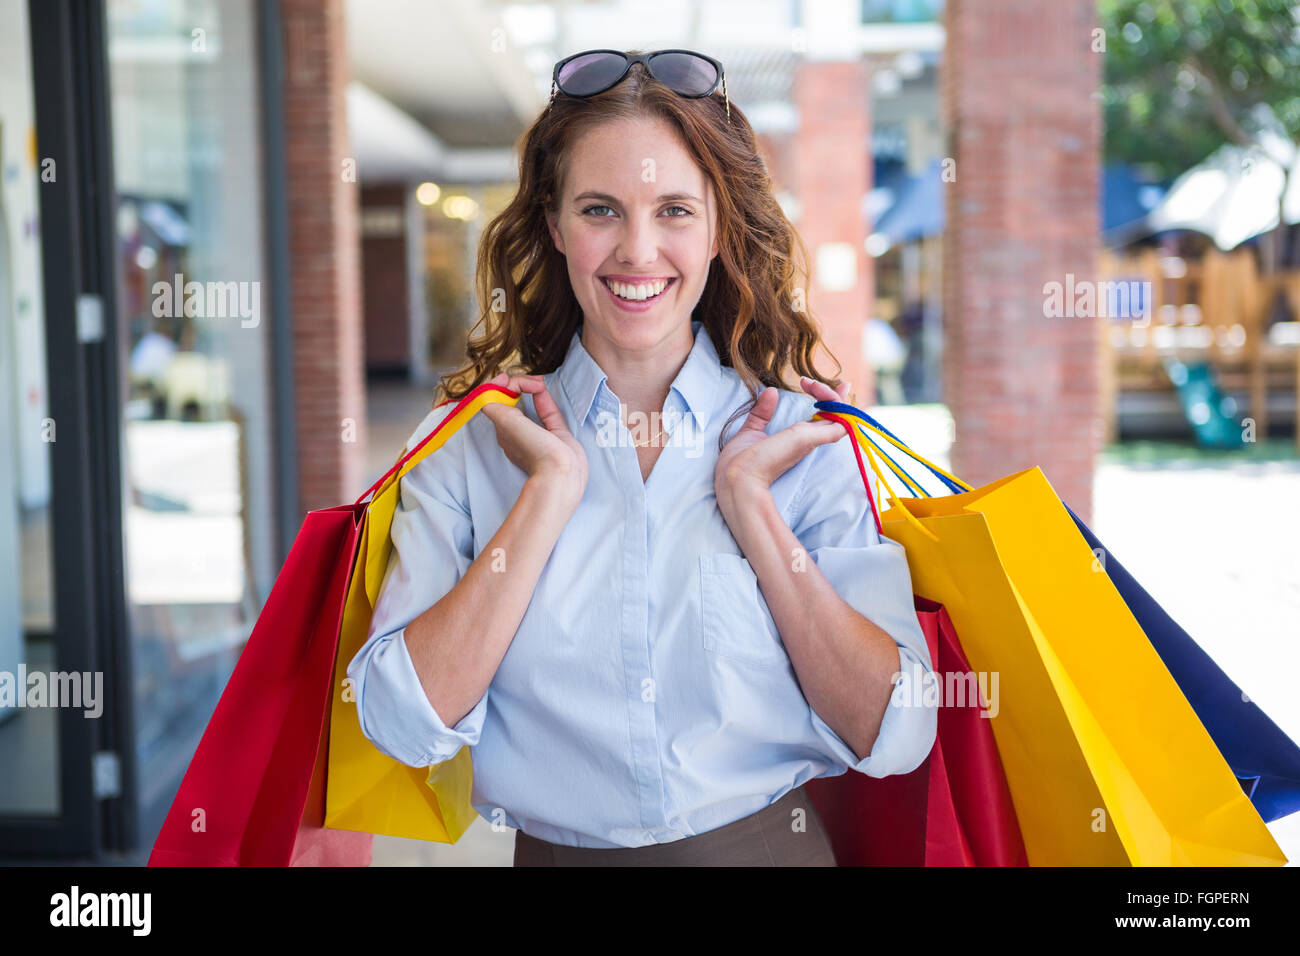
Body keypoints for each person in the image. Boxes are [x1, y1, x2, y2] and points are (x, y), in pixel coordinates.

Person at [348, 49, 936, 867]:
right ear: (553, 225)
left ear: (718, 225)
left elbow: (898, 728)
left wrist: (756, 516)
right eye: (600, 210)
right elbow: (400, 720)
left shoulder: (802, 441)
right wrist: (545, 498)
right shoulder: (472, 447)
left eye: (673, 211)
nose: (637, 250)